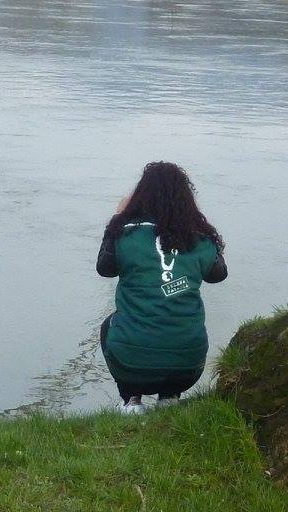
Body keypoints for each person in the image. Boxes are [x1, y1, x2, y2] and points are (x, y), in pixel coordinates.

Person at [96, 161, 227, 414]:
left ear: (140, 196)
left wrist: (117, 218)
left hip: (130, 363)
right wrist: (203, 228)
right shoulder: (199, 239)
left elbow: (105, 269)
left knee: (109, 326)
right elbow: (218, 275)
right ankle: (170, 397)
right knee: (178, 322)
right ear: (187, 201)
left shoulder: (126, 234)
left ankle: (131, 401)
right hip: (189, 366)